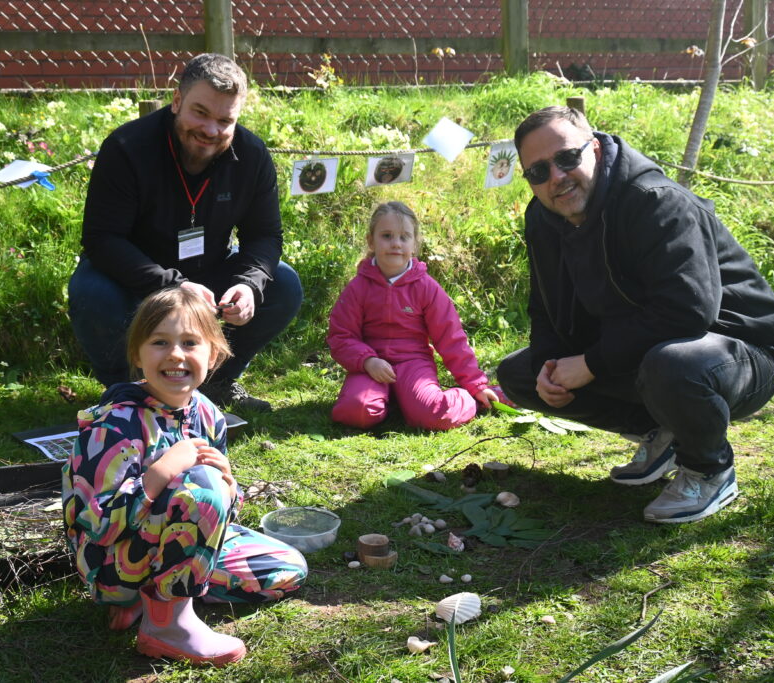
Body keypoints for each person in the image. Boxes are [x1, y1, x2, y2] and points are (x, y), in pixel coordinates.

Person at [497, 106, 774, 524]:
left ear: (594, 148)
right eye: (538, 171)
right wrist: (550, 362)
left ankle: (709, 470)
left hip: (735, 353)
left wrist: (592, 363)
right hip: (646, 350)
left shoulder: (655, 201)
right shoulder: (543, 219)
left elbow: (687, 311)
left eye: (566, 158)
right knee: (521, 373)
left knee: (672, 365)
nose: (556, 178)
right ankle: (665, 432)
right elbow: (545, 305)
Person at [62, 287, 308, 666]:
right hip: (112, 563)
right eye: (160, 342)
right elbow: (99, 527)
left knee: (286, 568)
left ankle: (153, 600)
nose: (176, 355)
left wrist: (229, 485)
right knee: (203, 487)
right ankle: (167, 625)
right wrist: (160, 471)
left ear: (214, 354)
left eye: (190, 342)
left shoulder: (207, 415)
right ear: (137, 354)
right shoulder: (115, 423)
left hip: (173, 544)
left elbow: (216, 514)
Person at [68, 53, 302, 412]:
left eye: (225, 120)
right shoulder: (127, 148)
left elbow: (265, 236)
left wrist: (248, 284)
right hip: (135, 276)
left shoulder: (252, 156)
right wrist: (171, 285)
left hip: (210, 272)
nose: (211, 130)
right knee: (91, 290)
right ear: (177, 101)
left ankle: (217, 381)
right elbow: (102, 239)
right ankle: (125, 390)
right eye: (201, 113)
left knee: (283, 283)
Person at [327, 201, 500, 431]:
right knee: (355, 411)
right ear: (371, 241)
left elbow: (451, 338)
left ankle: (465, 399)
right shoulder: (358, 288)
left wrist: (475, 385)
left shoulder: (426, 287)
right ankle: (390, 399)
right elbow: (341, 336)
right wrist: (367, 361)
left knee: (433, 416)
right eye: (386, 236)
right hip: (371, 366)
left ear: (414, 244)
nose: (395, 244)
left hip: (413, 363)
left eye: (404, 237)